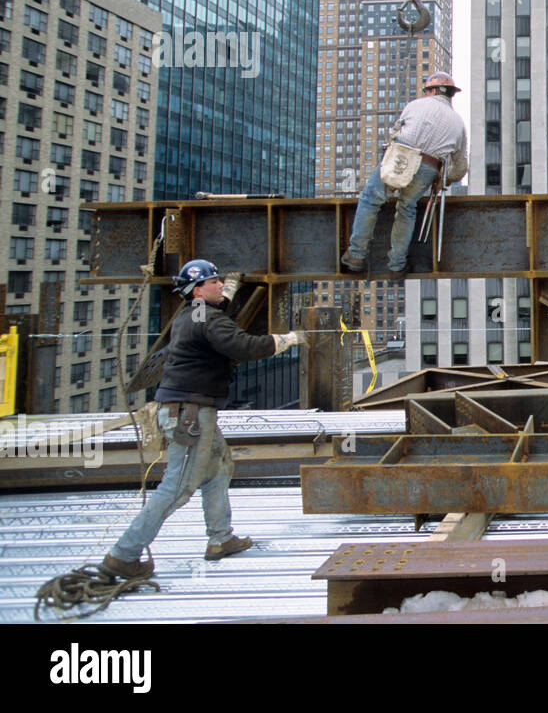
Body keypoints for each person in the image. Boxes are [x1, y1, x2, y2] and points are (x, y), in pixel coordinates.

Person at [101, 259, 307, 579]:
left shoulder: (193, 312)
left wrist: (230, 289)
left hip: (190, 410)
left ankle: (220, 539)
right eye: (215, 282)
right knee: (178, 488)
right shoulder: (205, 318)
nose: (220, 286)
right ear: (199, 289)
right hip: (190, 415)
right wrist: (288, 339)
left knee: (218, 467)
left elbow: (215, 314)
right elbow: (244, 346)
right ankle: (123, 554)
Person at [342, 72, 468, 276]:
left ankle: (356, 255)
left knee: (370, 199)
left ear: (433, 90)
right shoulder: (458, 122)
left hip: (401, 156)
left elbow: (395, 132)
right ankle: (397, 265)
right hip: (429, 166)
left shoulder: (415, 105)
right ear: (450, 94)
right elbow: (460, 166)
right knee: (407, 208)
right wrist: (444, 178)